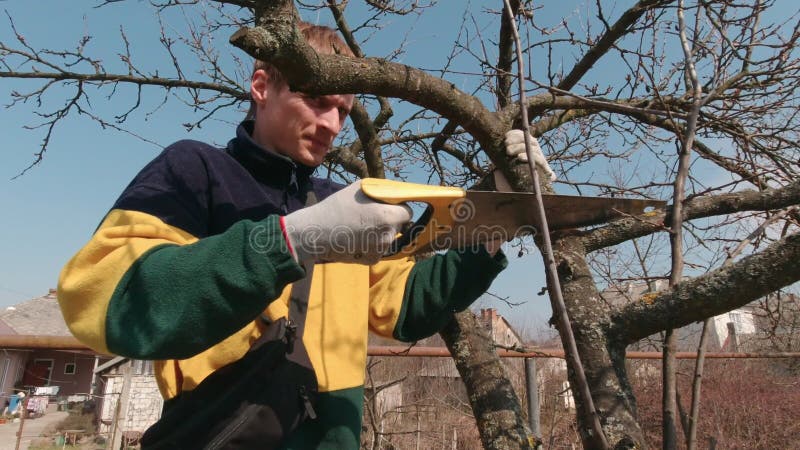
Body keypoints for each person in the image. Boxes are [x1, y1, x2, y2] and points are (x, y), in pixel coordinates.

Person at [57, 21, 552, 449]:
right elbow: (107, 300)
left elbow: (404, 305)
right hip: (216, 433)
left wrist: (498, 217)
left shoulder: (340, 201)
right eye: (316, 99)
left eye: (343, 109)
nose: (332, 123)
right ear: (261, 86)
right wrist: (292, 240)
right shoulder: (195, 169)